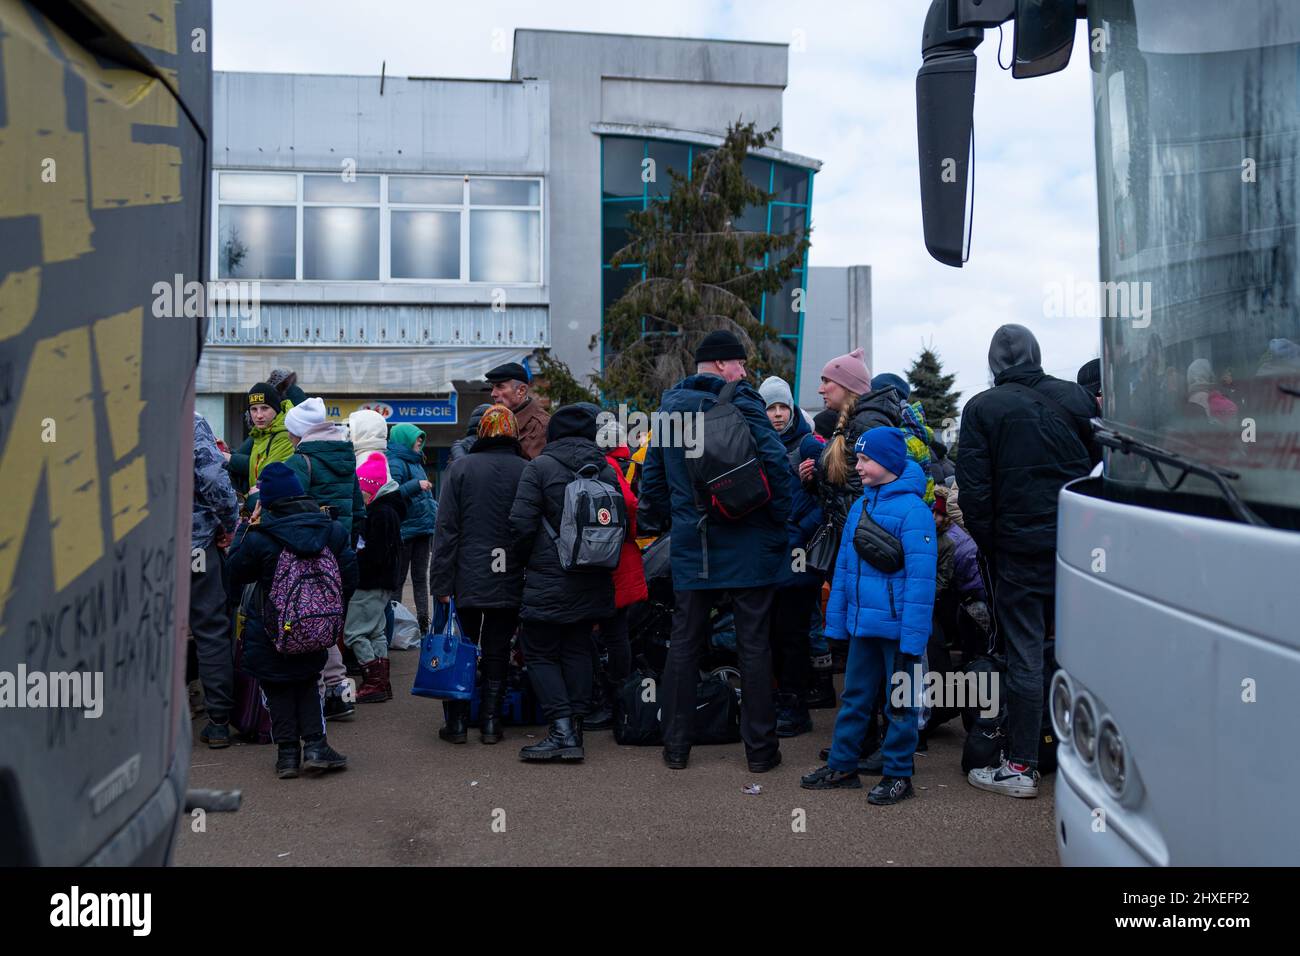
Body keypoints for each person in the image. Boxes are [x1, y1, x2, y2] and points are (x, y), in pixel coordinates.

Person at [638, 330, 793, 773]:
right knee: (754, 647)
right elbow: (778, 468)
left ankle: (676, 747)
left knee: (684, 644)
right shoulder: (744, 404)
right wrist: (776, 522)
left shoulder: (668, 413)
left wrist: (669, 524)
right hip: (750, 546)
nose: (744, 372)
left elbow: (652, 485)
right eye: (740, 364)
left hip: (693, 548)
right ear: (724, 365)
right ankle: (761, 753)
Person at [957, 323, 1100, 799]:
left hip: (1017, 554)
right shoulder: (1077, 399)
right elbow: (1102, 471)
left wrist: (996, 548)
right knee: (1083, 653)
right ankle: (1089, 754)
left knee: (1023, 655)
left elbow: (974, 497)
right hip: (1078, 549)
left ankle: (1020, 764)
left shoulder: (981, 409)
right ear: (1037, 355)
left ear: (994, 364)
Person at [799, 428, 937, 805]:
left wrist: (913, 640)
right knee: (855, 697)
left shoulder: (914, 512)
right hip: (863, 627)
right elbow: (843, 570)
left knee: (901, 704)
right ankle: (843, 765)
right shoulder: (862, 505)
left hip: (897, 632)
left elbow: (922, 584)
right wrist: (838, 624)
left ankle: (898, 774)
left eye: (864, 459)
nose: (857, 466)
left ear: (889, 463)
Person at [225, 463, 358, 779]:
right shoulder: (331, 530)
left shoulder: (261, 537)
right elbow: (349, 575)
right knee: (309, 681)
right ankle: (315, 746)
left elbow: (234, 572)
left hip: (271, 627)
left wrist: (246, 525)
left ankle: (287, 756)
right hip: (315, 624)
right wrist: (328, 611)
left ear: (266, 501)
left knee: (277, 686)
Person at [509, 404, 625, 762]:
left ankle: (560, 731)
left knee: (540, 651)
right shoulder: (605, 471)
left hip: (548, 577)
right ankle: (575, 728)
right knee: (577, 647)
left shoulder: (538, 468)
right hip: (594, 576)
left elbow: (520, 524)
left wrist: (528, 561)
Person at [429, 405, 529, 745]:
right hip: (510, 573)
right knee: (498, 648)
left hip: (466, 574)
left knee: (462, 647)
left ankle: (457, 724)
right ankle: (491, 722)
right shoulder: (525, 469)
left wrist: (440, 583)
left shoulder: (461, 469)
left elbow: (446, 531)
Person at [282, 396, 368, 720]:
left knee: (308, 623)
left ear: (300, 433)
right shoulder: (347, 460)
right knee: (330, 623)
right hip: (340, 552)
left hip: (307, 554)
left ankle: (315, 698)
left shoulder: (300, 462)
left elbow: (289, 507)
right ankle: (338, 690)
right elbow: (359, 511)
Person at [759, 375, 824, 738]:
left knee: (792, 635)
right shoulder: (756, 444)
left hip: (798, 558)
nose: (779, 414)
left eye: (784, 406)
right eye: (771, 407)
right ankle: (781, 700)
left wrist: (797, 528)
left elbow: (826, 503)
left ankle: (795, 705)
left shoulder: (810, 445)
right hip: (769, 556)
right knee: (770, 634)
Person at [586, 426, 649, 729]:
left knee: (607, 634)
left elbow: (629, 506)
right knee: (617, 632)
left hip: (610, 563)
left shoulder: (606, 467)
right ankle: (618, 696)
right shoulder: (631, 464)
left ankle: (611, 700)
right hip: (626, 559)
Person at [191, 411, 240, 749]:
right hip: (194, 545)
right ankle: (219, 721)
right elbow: (212, 480)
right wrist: (229, 520)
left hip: (135, 552)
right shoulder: (188, 419)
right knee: (211, 630)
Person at [347, 453, 407, 704]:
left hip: (370, 581)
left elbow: (375, 553)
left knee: (353, 632)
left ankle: (373, 680)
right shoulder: (389, 510)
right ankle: (381, 681)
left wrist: (355, 561)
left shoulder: (380, 514)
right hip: (382, 582)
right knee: (375, 631)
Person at [387, 424, 437, 634]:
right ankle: (396, 622)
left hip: (423, 529)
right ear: (405, 439)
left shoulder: (417, 461)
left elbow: (424, 497)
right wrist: (417, 484)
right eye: (417, 438)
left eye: (421, 438)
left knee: (420, 578)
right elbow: (392, 493)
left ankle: (424, 622)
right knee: (399, 579)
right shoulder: (395, 462)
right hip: (406, 531)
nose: (420, 442)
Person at [227, 382, 295, 493]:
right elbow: (257, 468)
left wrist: (253, 494)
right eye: (254, 409)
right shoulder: (261, 433)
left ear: (276, 409)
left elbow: (271, 477)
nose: (259, 415)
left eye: (265, 408)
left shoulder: (284, 434)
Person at [485, 362, 550, 460]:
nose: (493, 394)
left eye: (500, 386)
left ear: (521, 391)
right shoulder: (495, 420)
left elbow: (537, 471)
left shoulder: (542, 425)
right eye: (492, 387)